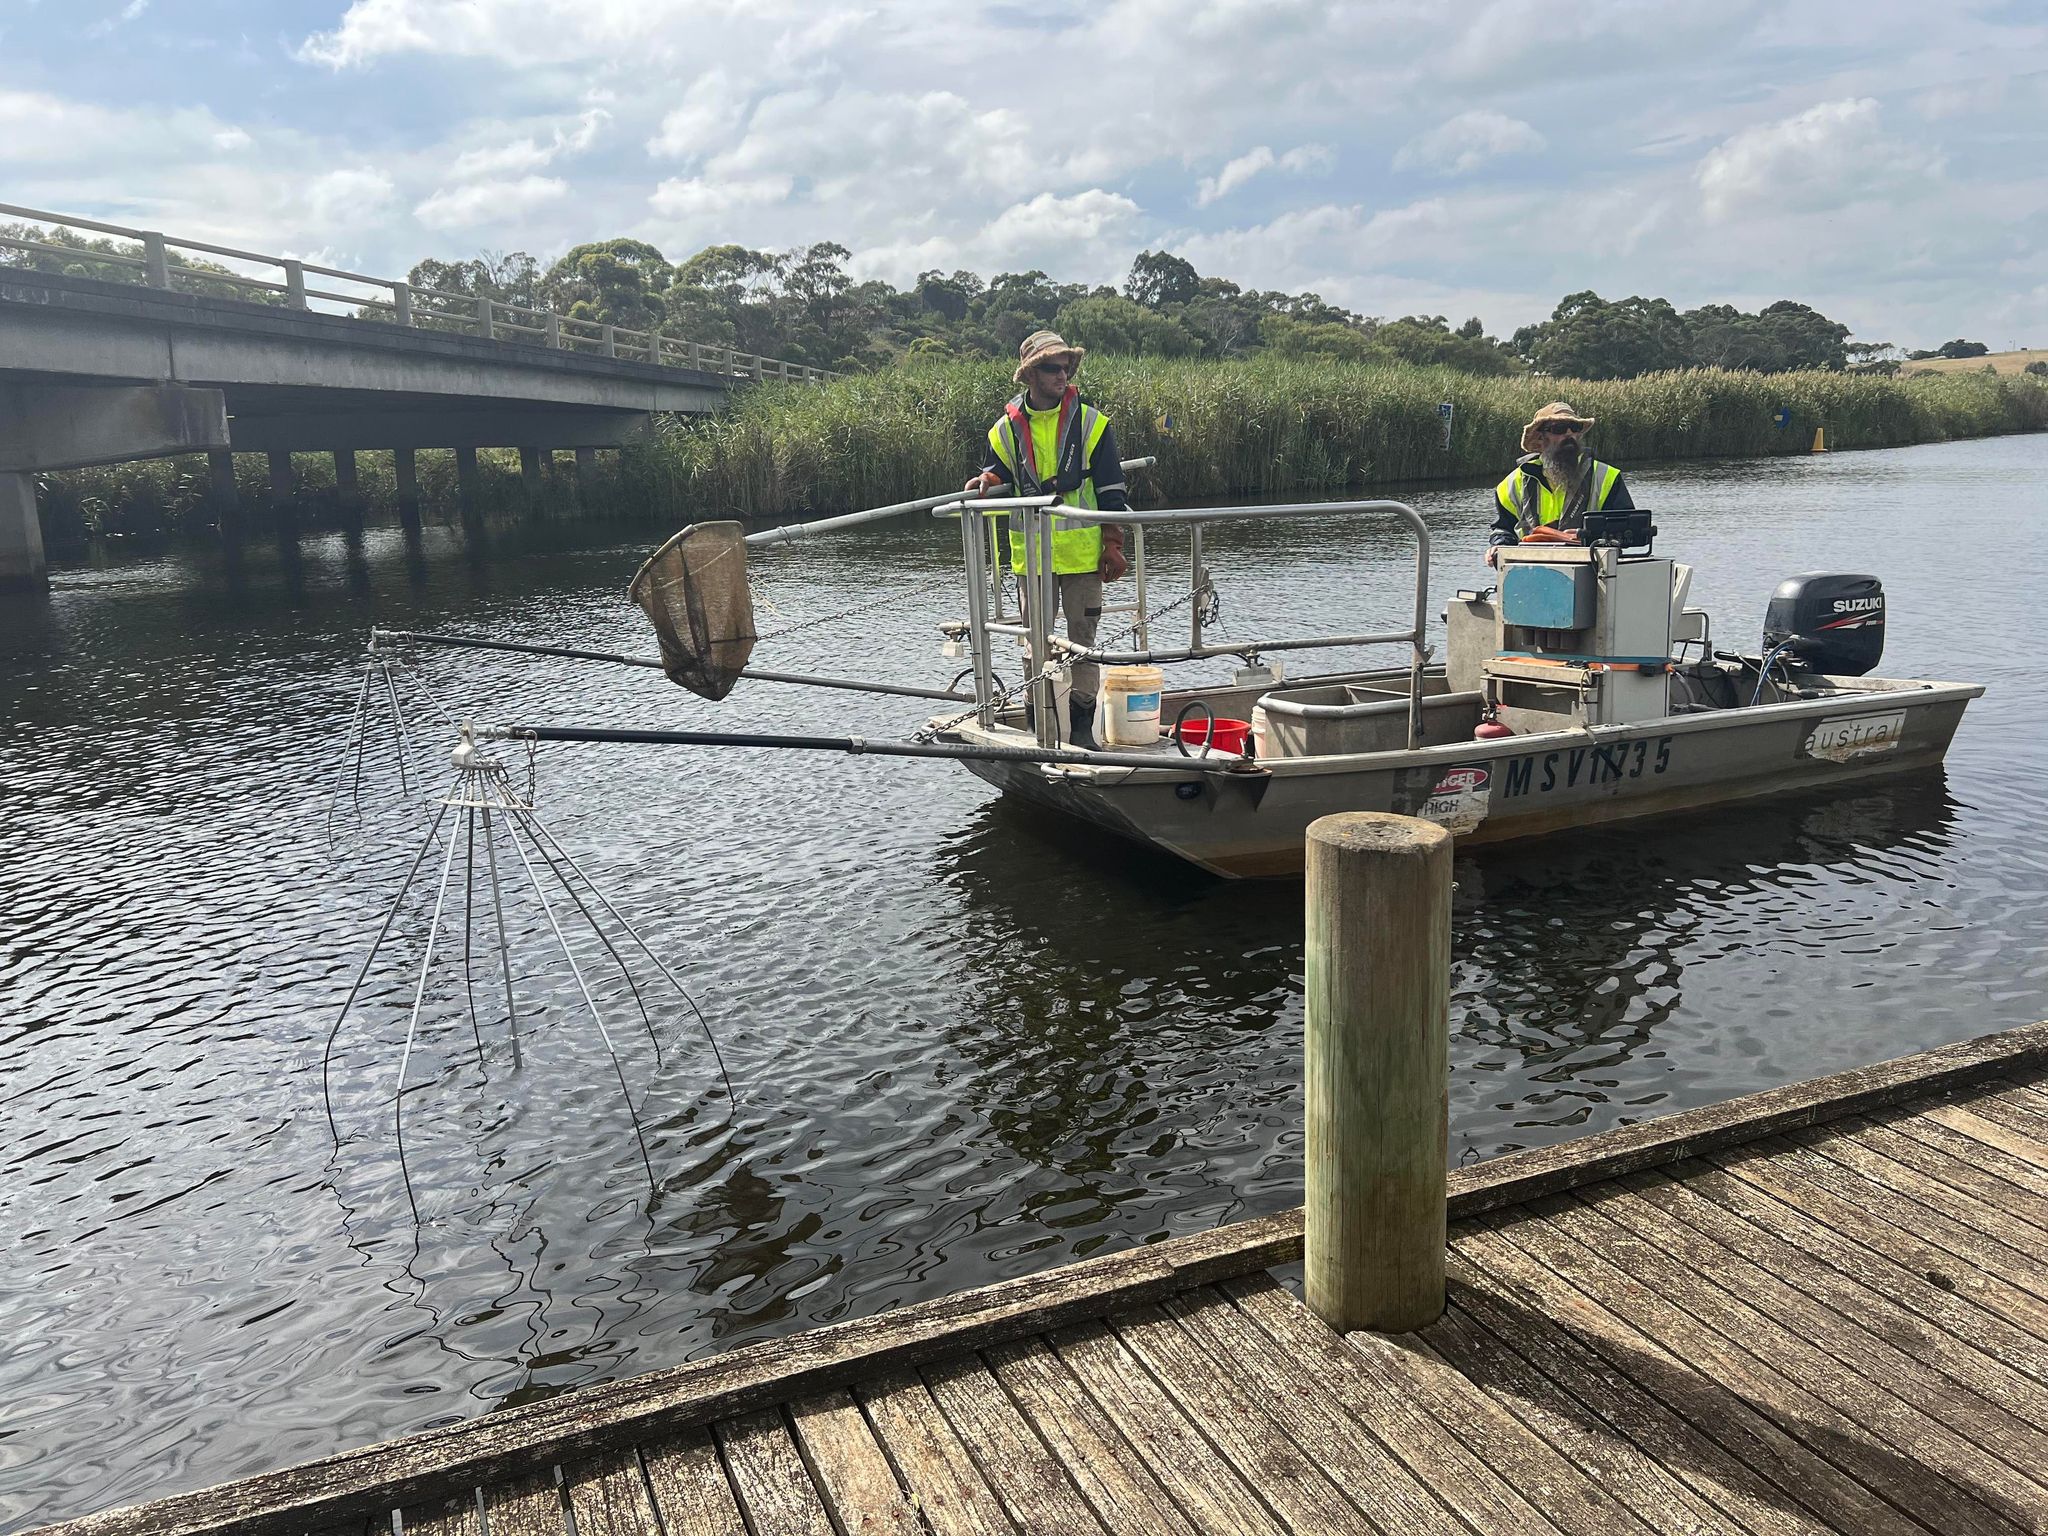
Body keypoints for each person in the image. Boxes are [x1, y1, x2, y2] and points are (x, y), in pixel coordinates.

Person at [964, 330, 1129, 745]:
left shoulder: (1092, 423)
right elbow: (998, 470)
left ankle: (1081, 732)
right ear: (1031, 375)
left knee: (1083, 645)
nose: (1062, 375)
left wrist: (1113, 544)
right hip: (1032, 559)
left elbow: (1112, 490)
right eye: (1052, 368)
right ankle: (1039, 726)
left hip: (1084, 557)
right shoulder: (1004, 429)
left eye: (1066, 367)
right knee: (1034, 645)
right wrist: (988, 480)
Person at [1486, 401, 1633, 567]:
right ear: (1541, 437)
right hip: (1530, 572)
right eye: (1559, 428)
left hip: (1593, 571)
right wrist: (1498, 546)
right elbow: (1503, 530)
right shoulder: (1512, 484)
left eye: (1574, 427)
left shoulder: (1606, 477)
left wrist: (1588, 535)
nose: (1569, 434)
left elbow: (1628, 530)